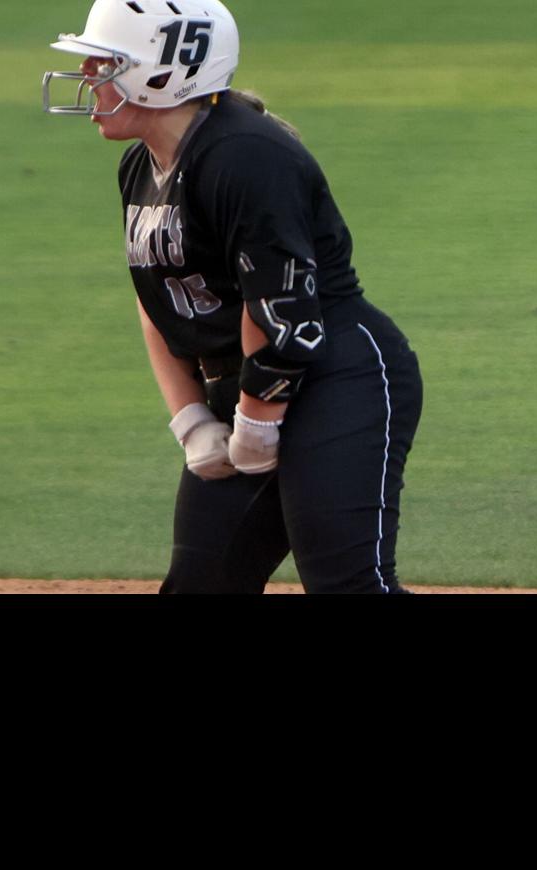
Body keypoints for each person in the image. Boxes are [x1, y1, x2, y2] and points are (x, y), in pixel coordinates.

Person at [42, 0, 423, 593]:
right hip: (246, 386)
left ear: (164, 71)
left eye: (106, 62)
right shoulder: (140, 166)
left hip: (332, 377)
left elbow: (279, 309)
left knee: (347, 587)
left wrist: (256, 423)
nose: (89, 77)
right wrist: (191, 419)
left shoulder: (244, 156)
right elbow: (157, 299)